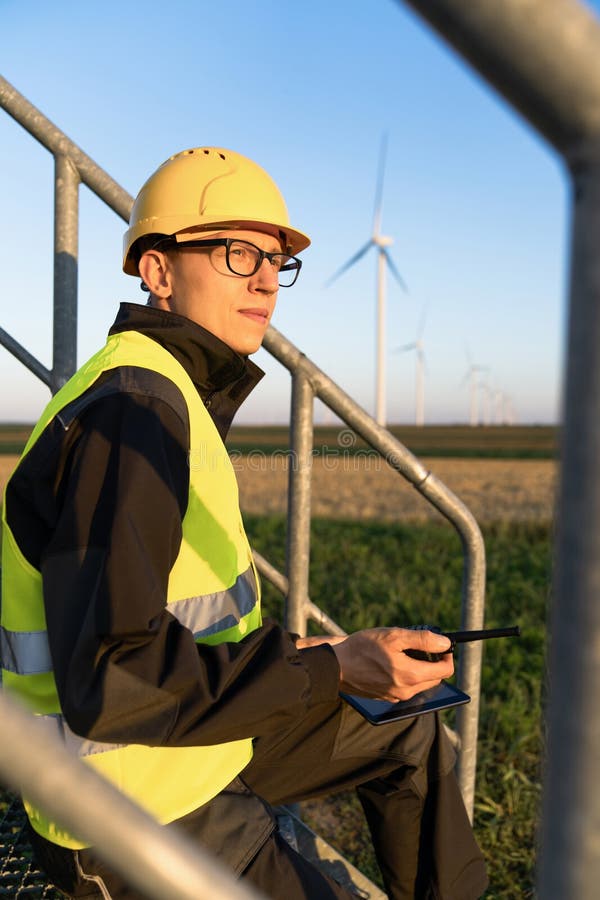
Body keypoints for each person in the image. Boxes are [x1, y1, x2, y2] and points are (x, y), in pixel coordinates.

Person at [0, 147, 488, 899]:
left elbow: (175, 620)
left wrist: (310, 656)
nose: (266, 278)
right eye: (237, 253)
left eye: (275, 260)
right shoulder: (132, 415)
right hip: (127, 799)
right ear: (157, 271)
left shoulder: (171, 396)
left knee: (405, 719)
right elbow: (111, 675)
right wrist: (328, 669)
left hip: (189, 741)